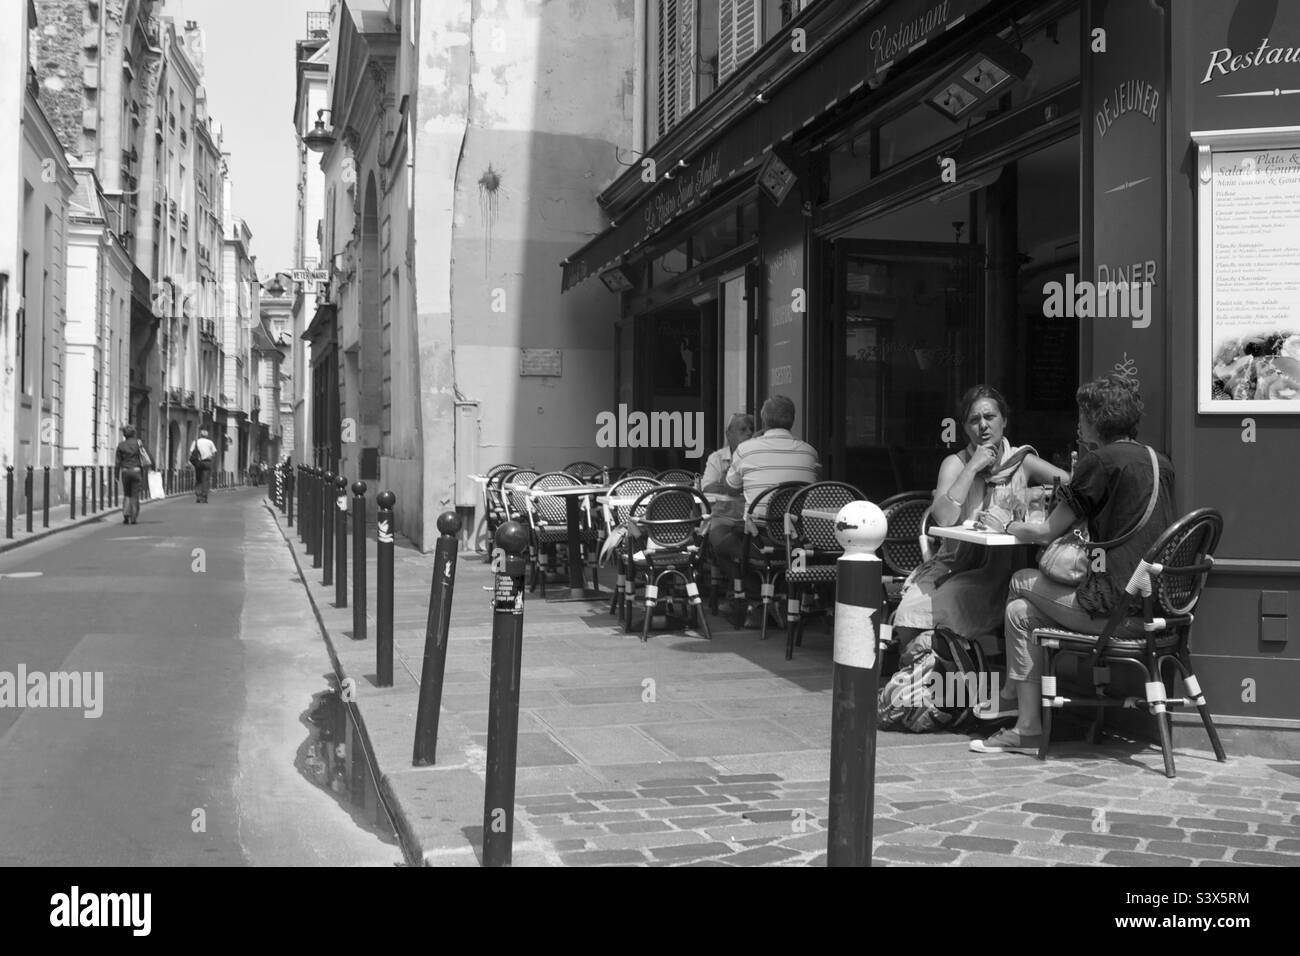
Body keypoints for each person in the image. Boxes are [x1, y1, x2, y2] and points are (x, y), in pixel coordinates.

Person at [971, 373, 1175, 754]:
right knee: (1021, 609)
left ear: (1096, 419)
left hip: (1117, 612)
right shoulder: (1158, 460)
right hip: (1160, 608)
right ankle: (1023, 716)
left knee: (1018, 587)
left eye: (1082, 415)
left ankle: (1016, 703)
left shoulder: (1100, 462)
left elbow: (1048, 530)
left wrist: (1008, 524)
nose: (1078, 423)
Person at [891, 385, 1069, 664]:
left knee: (941, 608)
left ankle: (941, 675)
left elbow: (1070, 486)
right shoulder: (955, 462)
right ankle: (933, 676)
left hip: (1003, 567)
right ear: (964, 428)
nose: (983, 426)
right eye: (974, 420)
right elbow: (945, 518)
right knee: (909, 619)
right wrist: (972, 467)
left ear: (1004, 421)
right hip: (955, 563)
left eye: (990, 417)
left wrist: (1037, 496)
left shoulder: (1021, 460)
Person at [704, 395, 819, 627]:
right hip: (798, 541)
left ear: (764, 421)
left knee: (717, 540)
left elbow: (730, 487)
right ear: (792, 421)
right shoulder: (809, 452)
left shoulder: (746, 450)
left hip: (760, 540)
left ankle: (755, 598)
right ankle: (777, 597)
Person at [115, 424, 151, 524]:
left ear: (124, 434)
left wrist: (116, 475)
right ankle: (134, 516)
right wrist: (152, 467)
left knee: (127, 493)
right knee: (135, 494)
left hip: (125, 471)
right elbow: (146, 455)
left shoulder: (121, 445)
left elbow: (118, 462)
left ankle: (126, 515)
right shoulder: (138, 443)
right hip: (136, 470)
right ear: (134, 433)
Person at [190, 428, 217, 503]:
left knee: (198, 479)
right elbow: (214, 452)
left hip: (198, 462)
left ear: (200, 435)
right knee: (206, 480)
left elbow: (191, 451)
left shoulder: (196, 442)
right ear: (207, 436)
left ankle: (198, 495)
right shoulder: (210, 442)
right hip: (207, 462)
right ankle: (204, 497)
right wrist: (210, 456)